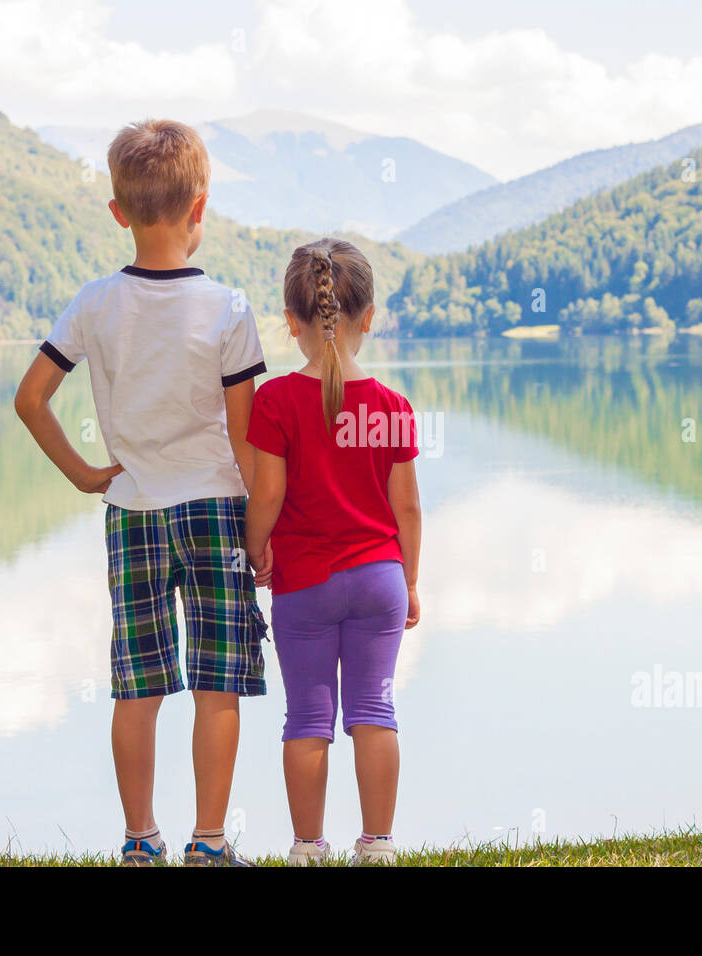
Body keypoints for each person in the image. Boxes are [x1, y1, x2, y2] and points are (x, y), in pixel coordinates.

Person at [14, 119, 268, 866]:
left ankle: (138, 841)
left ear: (119, 212)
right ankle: (210, 843)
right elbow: (247, 441)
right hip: (218, 510)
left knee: (139, 684)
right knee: (218, 685)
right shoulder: (229, 308)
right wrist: (264, 531)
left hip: (132, 513)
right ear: (201, 208)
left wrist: (85, 472)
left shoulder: (94, 303)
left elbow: (31, 399)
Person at [245, 238, 422, 866]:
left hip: (305, 584)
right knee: (374, 706)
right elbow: (408, 510)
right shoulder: (394, 408)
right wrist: (413, 581)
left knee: (308, 718)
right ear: (368, 317)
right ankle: (377, 844)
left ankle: (308, 847)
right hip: (380, 577)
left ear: (292, 323)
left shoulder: (275, 401)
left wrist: (254, 549)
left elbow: (268, 492)